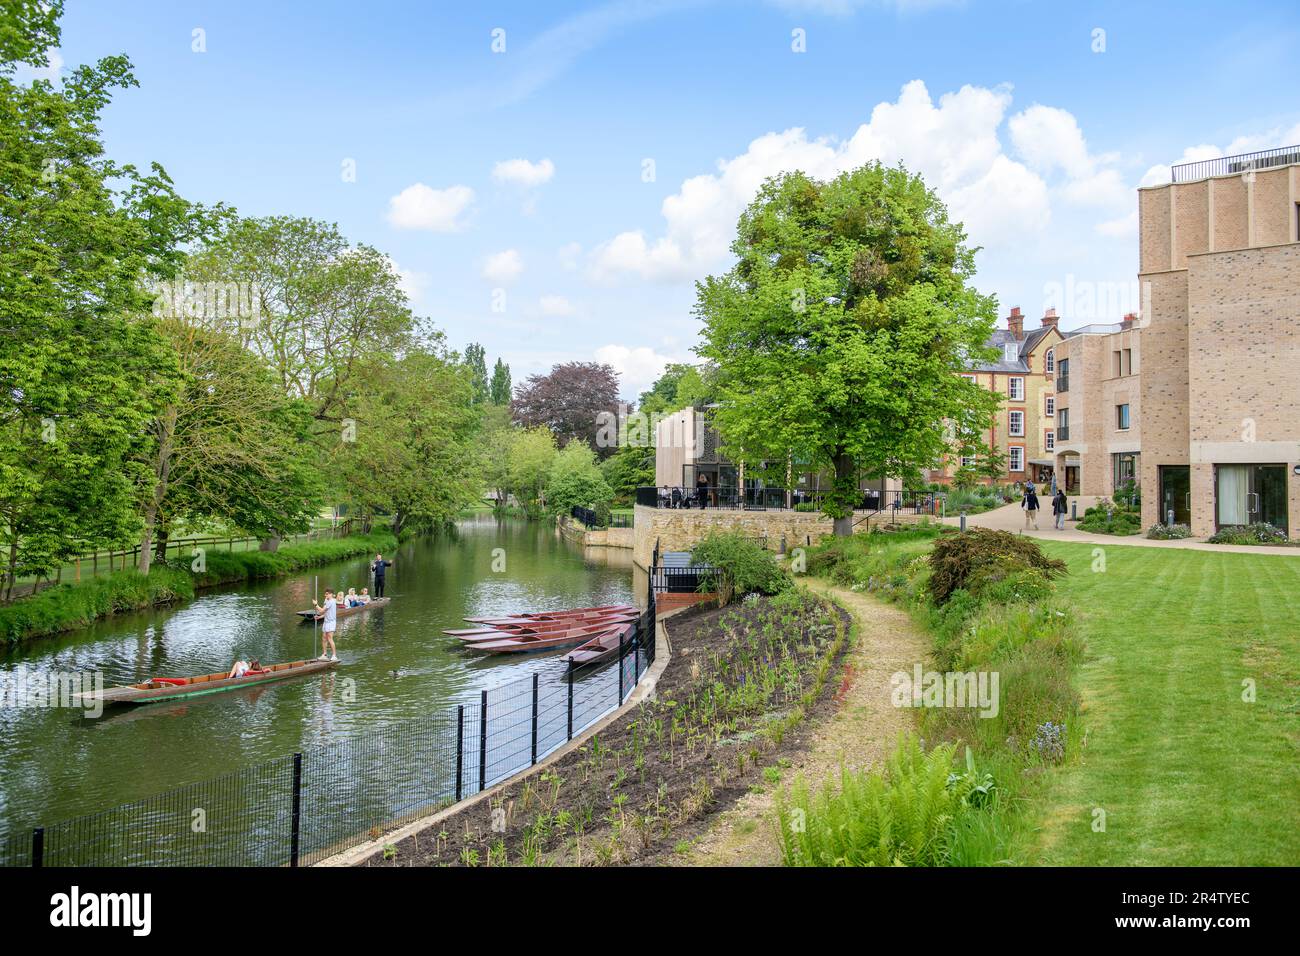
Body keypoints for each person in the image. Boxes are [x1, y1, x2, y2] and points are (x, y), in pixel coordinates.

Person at [313, 590, 339, 661]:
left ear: (331, 594)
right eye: (325, 594)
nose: (326, 595)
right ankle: (324, 654)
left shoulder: (331, 601)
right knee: (324, 638)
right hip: (326, 622)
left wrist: (316, 605)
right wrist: (319, 617)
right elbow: (325, 613)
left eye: (327, 594)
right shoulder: (327, 600)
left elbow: (321, 611)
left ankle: (334, 656)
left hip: (331, 622)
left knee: (329, 638)